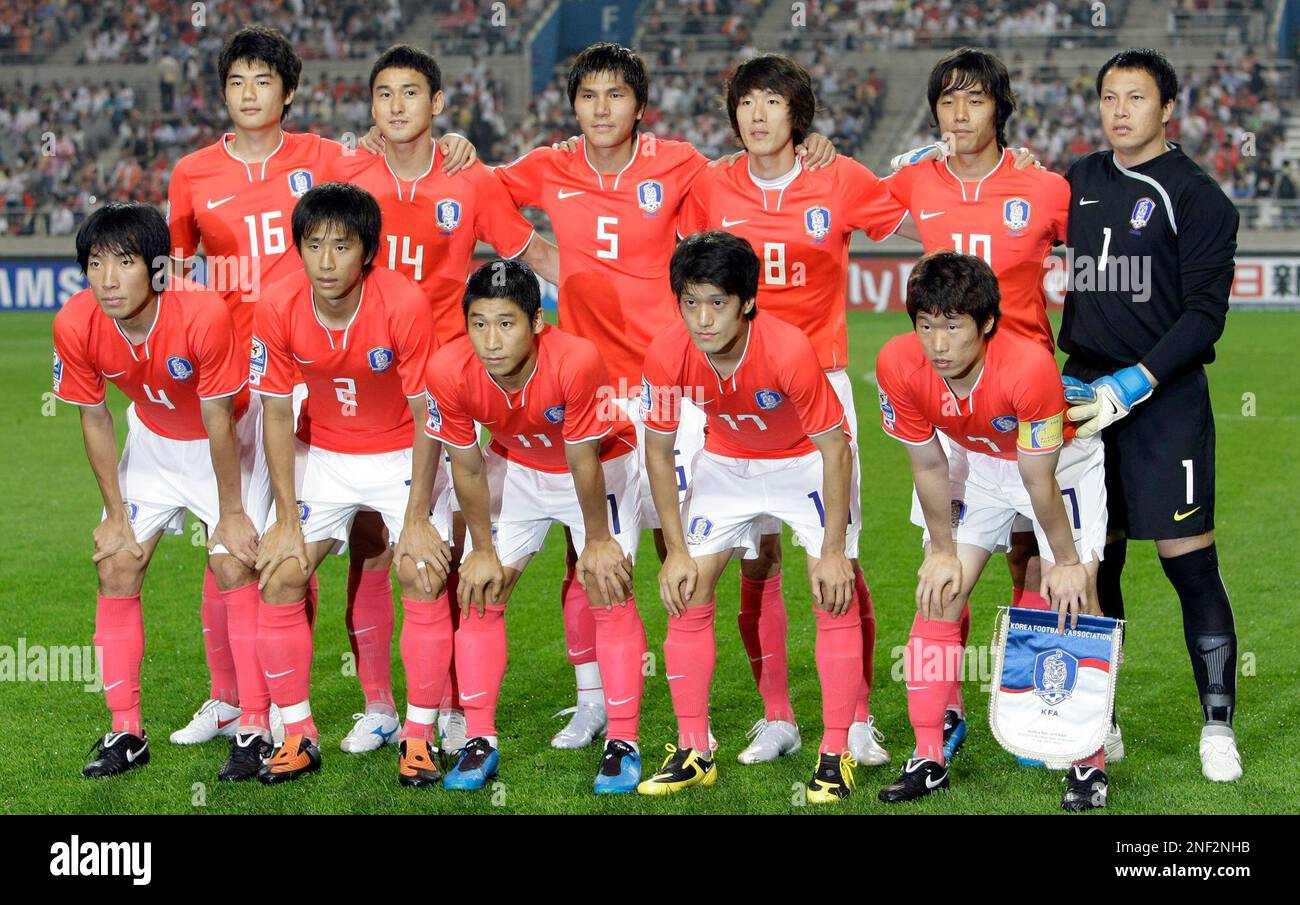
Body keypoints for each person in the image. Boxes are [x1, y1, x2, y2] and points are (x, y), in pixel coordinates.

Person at [166, 24, 474, 755]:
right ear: (222, 92)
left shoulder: (331, 157)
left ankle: (402, 707)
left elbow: (406, 147)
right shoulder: (190, 174)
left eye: (263, 81)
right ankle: (242, 701)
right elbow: (177, 277)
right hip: (242, 380)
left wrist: (455, 145)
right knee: (236, 539)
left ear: (289, 91)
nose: (249, 94)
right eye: (236, 82)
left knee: (374, 544)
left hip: (332, 375)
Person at [325, 42, 560, 754]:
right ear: (371, 106)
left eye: (410, 95)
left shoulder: (471, 176)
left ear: (437, 105)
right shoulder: (347, 172)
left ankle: (453, 703)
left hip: (451, 386)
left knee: (445, 549)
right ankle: (377, 704)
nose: (396, 107)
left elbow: (535, 254)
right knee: (370, 543)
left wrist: (624, 294)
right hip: (363, 387)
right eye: (384, 95)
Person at [678, 53, 903, 766]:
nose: (757, 114)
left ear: (797, 115)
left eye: (772, 101)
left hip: (819, 393)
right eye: (746, 101)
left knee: (839, 558)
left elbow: (915, 200)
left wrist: (967, 150)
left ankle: (858, 717)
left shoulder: (839, 178)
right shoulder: (710, 184)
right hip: (732, 392)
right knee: (755, 559)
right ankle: (777, 716)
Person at [882, 47, 1089, 764]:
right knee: (946, 565)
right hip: (953, 410)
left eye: (973, 99)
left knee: (1031, 560)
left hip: (1027, 399)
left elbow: (1100, 254)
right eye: (946, 101)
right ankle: (945, 716)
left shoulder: (1044, 186)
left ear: (999, 107)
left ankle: (1033, 706)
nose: (959, 114)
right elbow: (850, 202)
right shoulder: (914, 181)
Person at [1058, 48, 1242, 782]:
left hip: (1162, 402)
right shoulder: (1072, 181)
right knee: (1093, 565)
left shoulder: (1198, 196)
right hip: (1079, 401)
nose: (1120, 109)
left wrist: (1132, 383)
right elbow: (994, 216)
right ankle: (1099, 719)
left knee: (1188, 563)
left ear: (1168, 109)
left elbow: (1205, 317)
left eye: (1136, 97)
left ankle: (1217, 725)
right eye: (1109, 96)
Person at [874, 251, 1111, 811]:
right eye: (926, 325)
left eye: (952, 326)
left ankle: (1087, 762)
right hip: (978, 466)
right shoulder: (897, 364)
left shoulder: (1028, 368)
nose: (937, 344)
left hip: (1062, 468)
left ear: (985, 323)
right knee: (938, 594)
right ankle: (929, 756)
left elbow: (1040, 481)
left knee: (1075, 600)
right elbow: (929, 465)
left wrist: (1068, 560)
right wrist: (941, 550)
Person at [638, 231, 862, 804]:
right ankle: (694, 750)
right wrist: (677, 548)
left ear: (747, 303)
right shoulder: (666, 354)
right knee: (688, 589)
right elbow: (660, 450)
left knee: (831, 590)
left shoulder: (787, 349)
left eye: (717, 303)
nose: (704, 319)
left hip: (802, 463)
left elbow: (837, 448)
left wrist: (834, 550)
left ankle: (834, 753)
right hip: (727, 465)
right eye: (691, 302)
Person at [249, 182, 452, 786]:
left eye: (342, 245)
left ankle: (417, 736)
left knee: (419, 570)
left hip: (400, 454)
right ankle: (298, 734)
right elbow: (277, 415)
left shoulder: (404, 303)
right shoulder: (277, 304)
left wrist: (415, 517)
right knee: (281, 572)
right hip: (325, 455)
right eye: (314, 245)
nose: (327, 260)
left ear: (368, 251)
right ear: (299, 249)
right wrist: (285, 518)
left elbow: (427, 416)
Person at [53, 203, 259, 779]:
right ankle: (126, 731)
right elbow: (95, 418)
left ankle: (256, 726)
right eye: (96, 263)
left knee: (234, 563)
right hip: (153, 441)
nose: (109, 279)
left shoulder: (203, 313)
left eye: (125, 262)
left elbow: (220, 417)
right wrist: (117, 515)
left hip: (228, 438)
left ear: (159, 268)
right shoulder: (74, 323)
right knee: (117, 563)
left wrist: (231, 512)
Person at [424, 260, 646, 794]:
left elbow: (583, 456)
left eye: (506, 323)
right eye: (479, 323)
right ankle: (479, 740)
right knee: (481, 590)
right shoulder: (448, 369)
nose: (491, 340)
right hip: (518, 466)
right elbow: (467, 464)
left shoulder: (576, 359)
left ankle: (623, 741)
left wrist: (596, 541)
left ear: (536, 323)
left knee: (608, 587)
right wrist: (479, 549)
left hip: (602, 464)